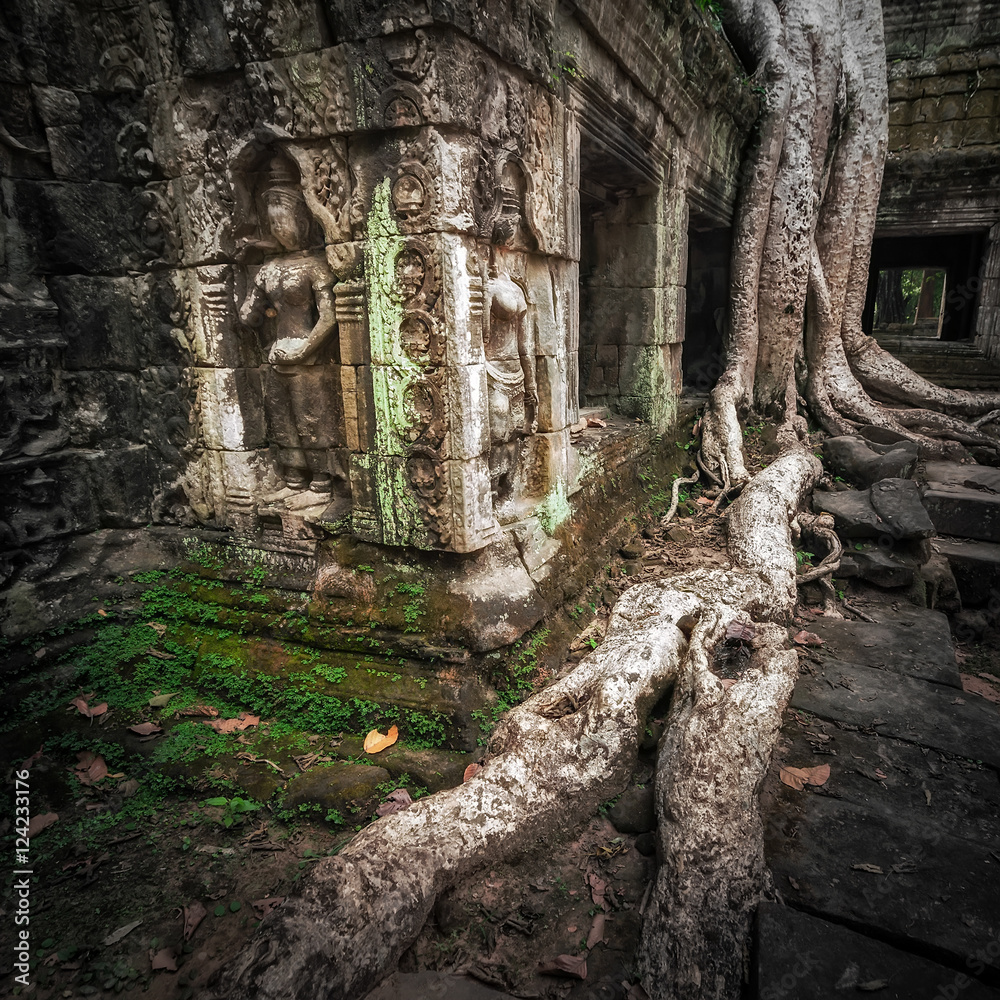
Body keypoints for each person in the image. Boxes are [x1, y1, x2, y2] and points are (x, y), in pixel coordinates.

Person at [240, 156, 342, 509]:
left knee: (311, 418)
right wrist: (251, 307)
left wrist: (303, 350)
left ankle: (320, 485)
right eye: (272, 220)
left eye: (284, 217)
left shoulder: (315, 266)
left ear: (302, 219)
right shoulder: (268, 269)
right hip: (276, 354)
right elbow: (251, 316)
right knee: (281, 420)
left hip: (307, 357)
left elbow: (329, 318)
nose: (278, 226)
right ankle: (294, 479)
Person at [485, 222, 538, 516]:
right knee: (497, 434)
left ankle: (509, 489)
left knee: (516, 432)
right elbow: (478, 338)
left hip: (516, 371)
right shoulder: (485, 284)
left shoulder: (516, 287)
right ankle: (491, 491)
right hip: (491, 369)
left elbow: (525, 344)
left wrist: (531, 386)